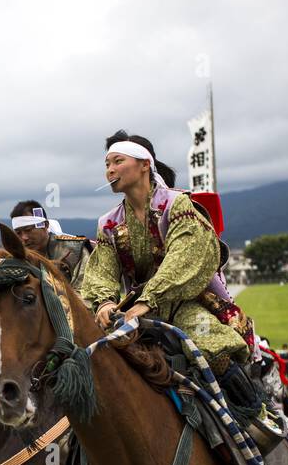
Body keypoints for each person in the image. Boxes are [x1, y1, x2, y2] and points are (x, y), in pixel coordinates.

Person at [78, 130, 258, 405]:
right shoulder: (109, 223)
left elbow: (184, 259)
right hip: (131, 311)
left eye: (117, 161)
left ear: (144, 165)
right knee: (90, 356)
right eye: (107, 165)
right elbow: (101, 270)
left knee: (211, 344)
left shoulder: (178, 205)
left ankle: (254, 415)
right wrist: (103, 303)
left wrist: (148, 301)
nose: (110, 170)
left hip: (185, 302)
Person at [8, 201, 94, 290]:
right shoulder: (18, 259)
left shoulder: (73, 251)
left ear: (45, 225)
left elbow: (86, 292)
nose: (24, 237)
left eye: (28, 230)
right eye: (18, 233)